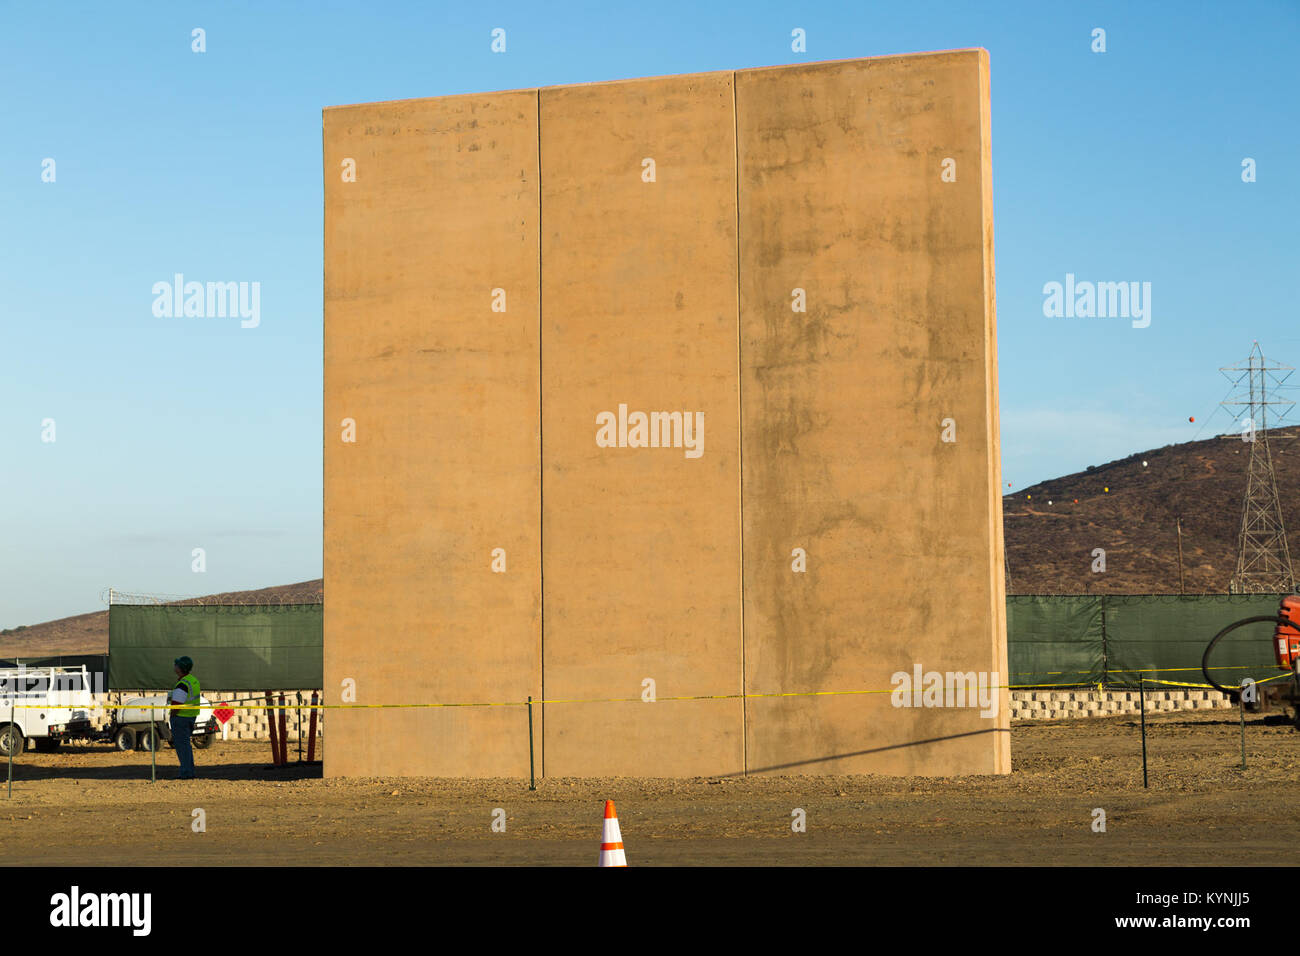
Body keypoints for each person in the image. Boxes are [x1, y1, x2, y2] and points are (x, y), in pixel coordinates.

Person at [169, 656, 201, 780]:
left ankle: (186, 773)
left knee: (182, 747)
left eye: (176, 664)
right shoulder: (193, 680)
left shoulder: (182, 684)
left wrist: (172, 716)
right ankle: (189, 771)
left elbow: (176, 704)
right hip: (190, 716)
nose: (174, 666)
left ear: (179, 668)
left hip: (181, 718)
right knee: (186, 746)